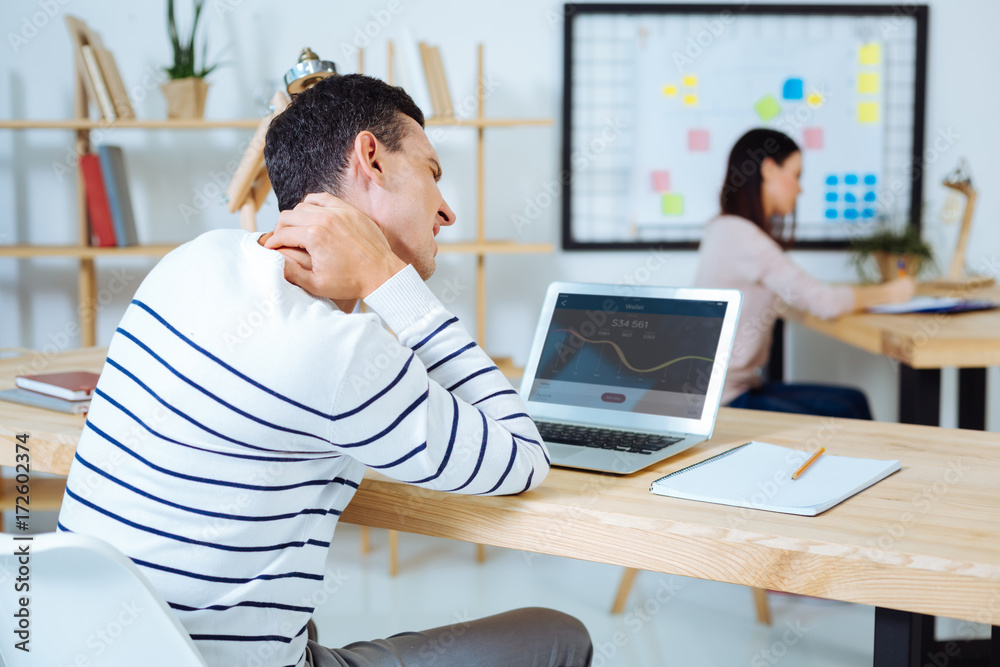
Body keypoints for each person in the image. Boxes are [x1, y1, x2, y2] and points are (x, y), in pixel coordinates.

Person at [57, 74, 592, 667]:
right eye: (432, 173)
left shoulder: (191, 260)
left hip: (81, 646)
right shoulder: (337, 352)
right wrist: (392, 283)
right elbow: (523, 457)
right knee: (559, 634)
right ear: (372, 159)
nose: (447, 209)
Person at [693, 128, 916, 419]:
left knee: (853, 401)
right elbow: (824, 302)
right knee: (848, 411)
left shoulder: (724, 229)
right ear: (770, 170)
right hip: (725, 401)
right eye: (796, 175)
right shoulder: (745, 239)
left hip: (734, 388)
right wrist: (892, 292)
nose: (800, 188)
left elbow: (794, 297)